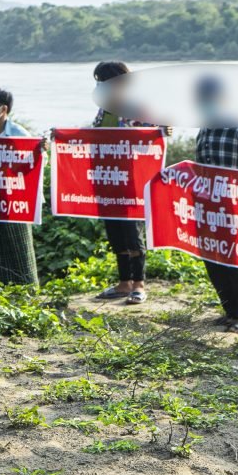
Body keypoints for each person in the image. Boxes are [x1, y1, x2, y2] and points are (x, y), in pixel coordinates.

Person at [193, 76, 238, 335]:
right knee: (214, 261)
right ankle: (230, 312)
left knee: (237, 262)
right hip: (208, 210)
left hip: (234, 210)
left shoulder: (237, 130)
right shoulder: (204, 130)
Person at [89, 61, 152, 305]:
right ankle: (124, 282)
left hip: (133, 182)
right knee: (115, 232)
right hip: (108, 180)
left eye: (103, 81)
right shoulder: (105, 109)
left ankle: (139, 284)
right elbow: (94, 137)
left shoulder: (139, 107)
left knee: (133, 233)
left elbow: (157, 134)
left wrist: (163, 131)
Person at [0, 88, 38, 286]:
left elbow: (34, 164)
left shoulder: (19, 133)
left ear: (3, 109)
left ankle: (27, 286)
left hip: (17, 198)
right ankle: (3, 285)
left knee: (19, 243)